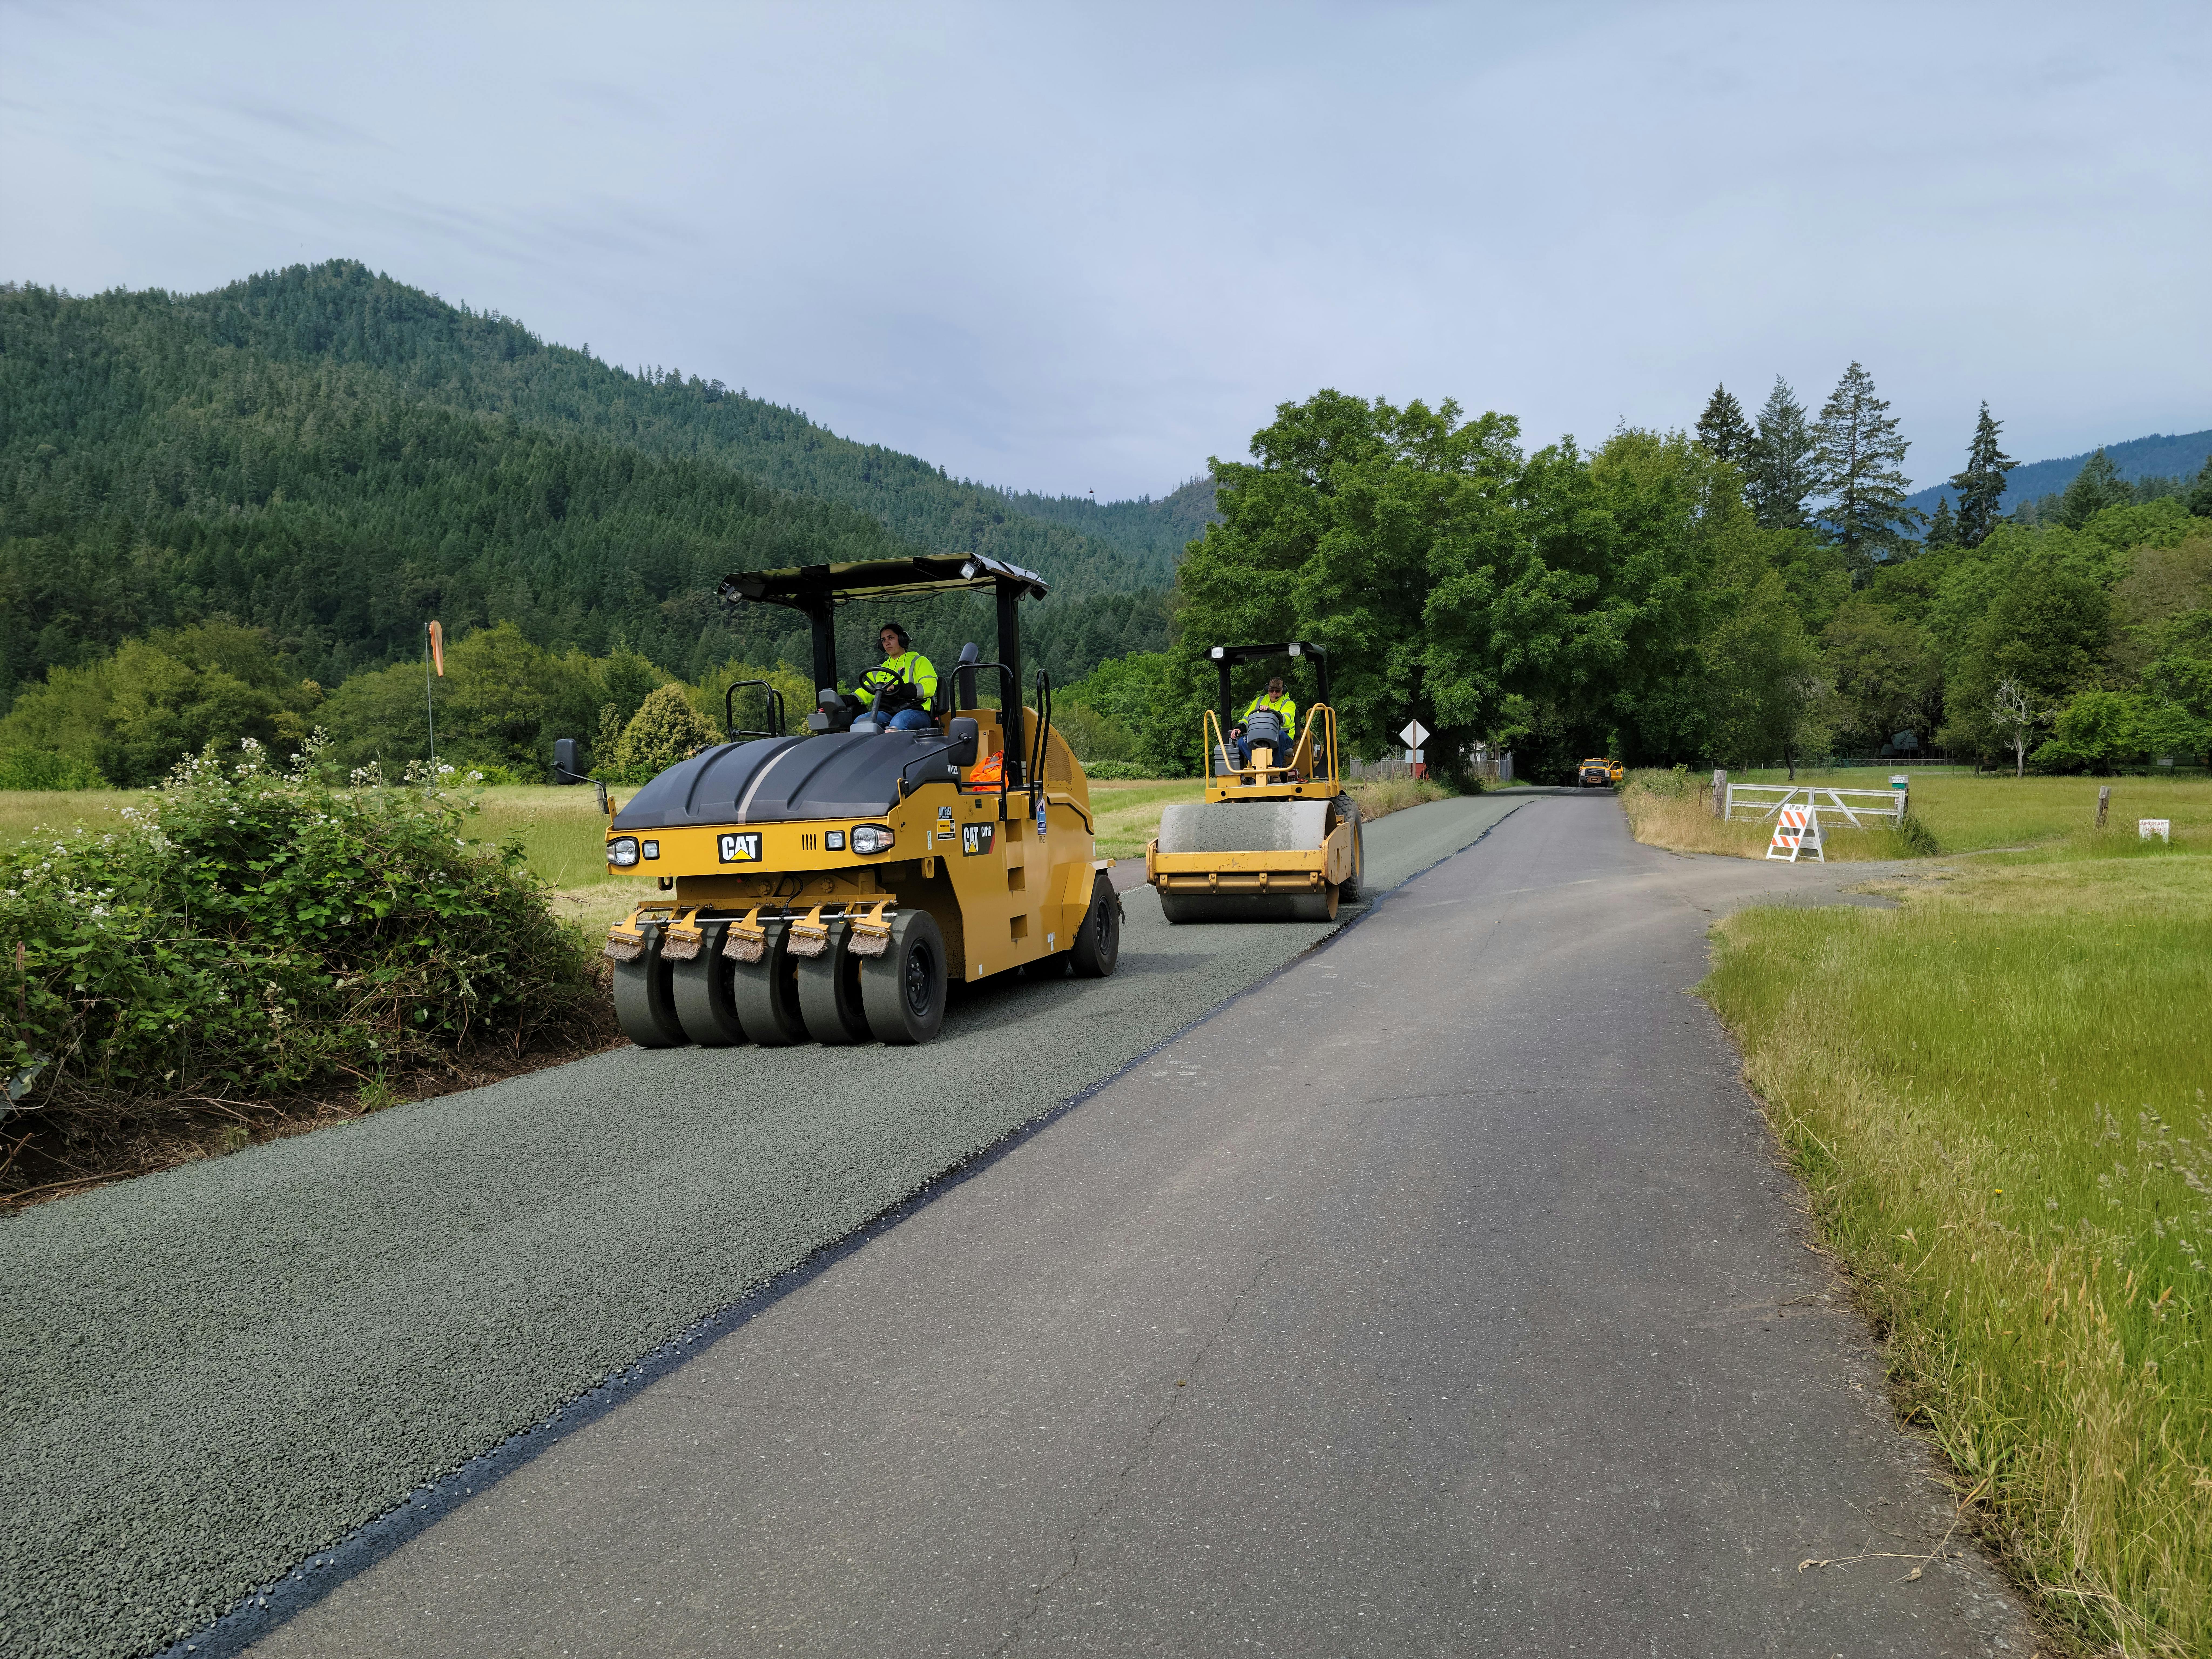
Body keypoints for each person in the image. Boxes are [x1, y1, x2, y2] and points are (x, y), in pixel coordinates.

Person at [853, 622, 938, 731]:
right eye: (883, 640)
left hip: (917, 711)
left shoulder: (919, 662)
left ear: (903, 639)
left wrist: (898, 688)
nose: (887, 643)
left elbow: (929, 688)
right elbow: (866, 692)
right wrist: (846, 699)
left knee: (898, 723)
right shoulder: (878, 670)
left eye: (891, 638)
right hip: (886, 713)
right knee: (861, 722)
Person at [1229, 676, 1297, 770]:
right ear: (1267, 690)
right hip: (1259, 738)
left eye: (1277, 691)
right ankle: (1259, 769)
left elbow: (1286, 719)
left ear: (1283, 691)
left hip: (1284, 738)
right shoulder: (1259, 701)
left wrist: (1271, 713)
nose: (1274, 693)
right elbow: (1247, 718)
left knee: (1280, 735)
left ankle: (1275, 771)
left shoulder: (1288, 704)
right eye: (1271, 690)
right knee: (1242, 741)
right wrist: (1239, 728)